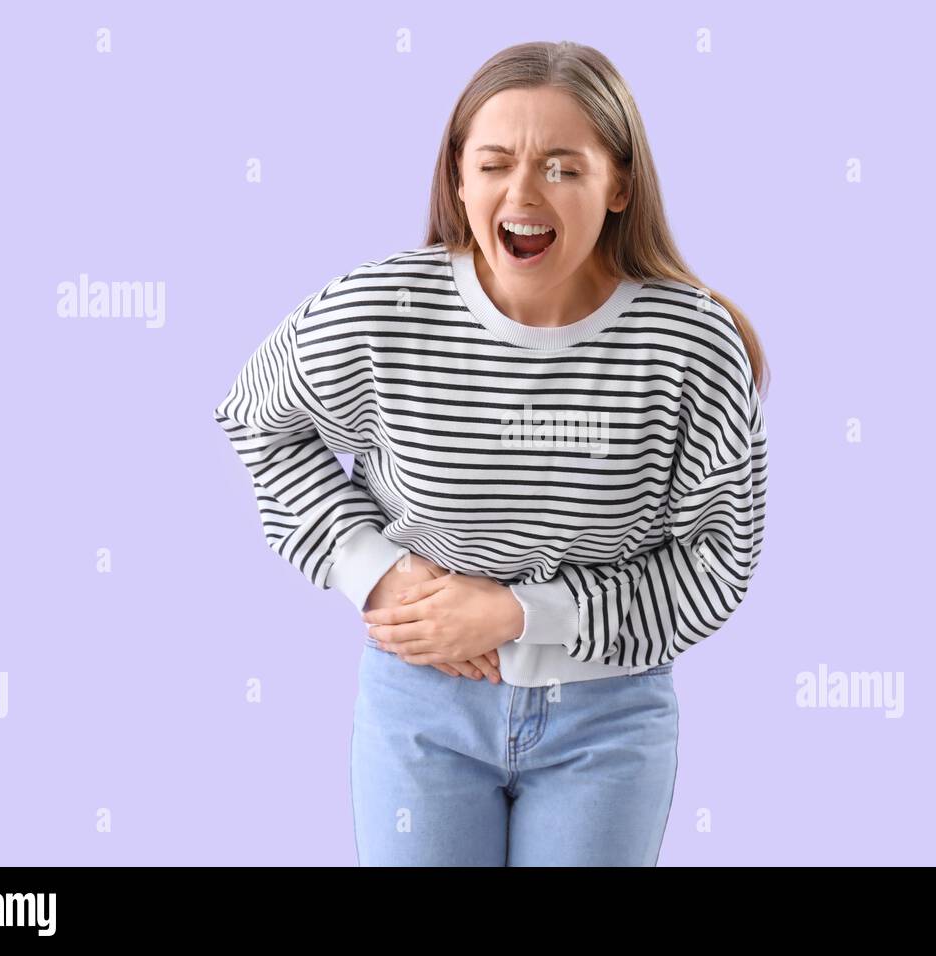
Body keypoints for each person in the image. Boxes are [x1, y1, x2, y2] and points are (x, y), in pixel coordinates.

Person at [213, 40, 769, 866]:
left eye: (562, 167)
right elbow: (257, 419)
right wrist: (380, 572)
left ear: (618, 183)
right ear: (458, 178)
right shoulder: (382, 307)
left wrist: (521, 615)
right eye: (496, 162)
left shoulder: (690, 344)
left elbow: (717, 563)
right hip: (420, 706)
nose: (523, 193)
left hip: (609, 715)